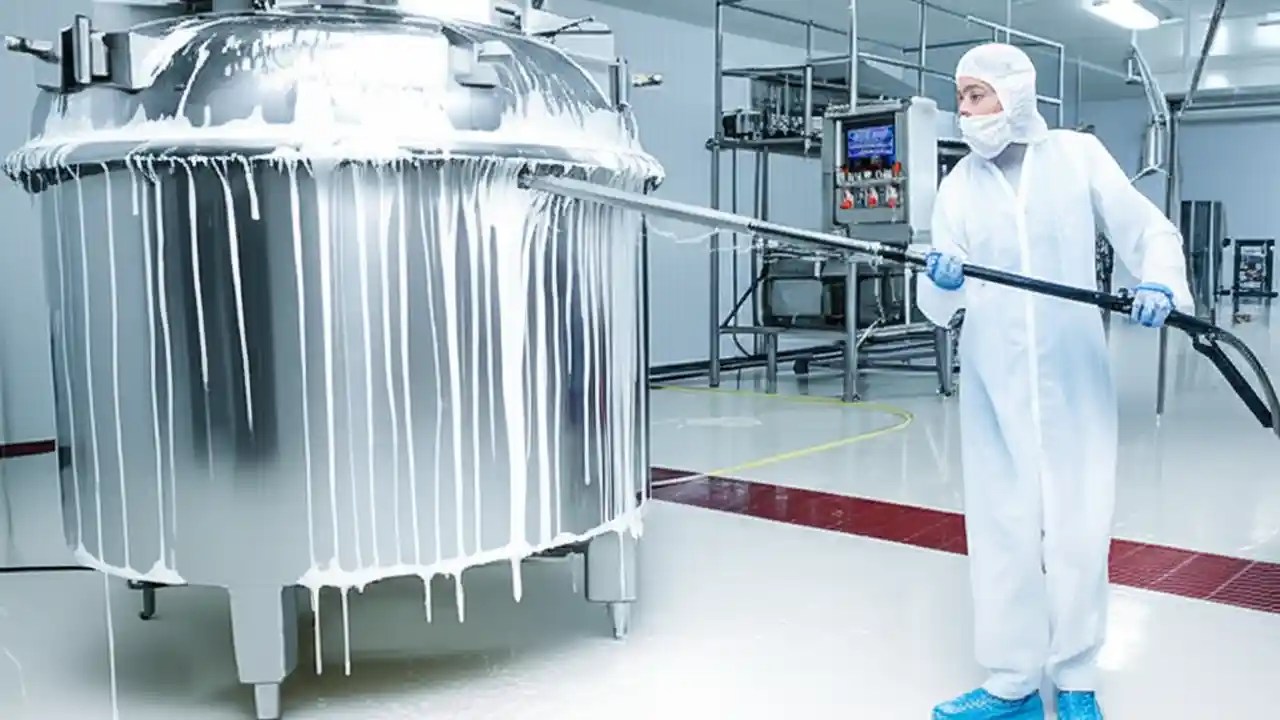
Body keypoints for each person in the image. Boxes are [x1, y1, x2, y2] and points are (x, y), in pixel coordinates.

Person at [916, 43, 1193, 720]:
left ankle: (1075, 679)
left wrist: (1157, 281)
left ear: (1014, 95)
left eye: (976, 96)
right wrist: (938, 279)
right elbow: (935, 301)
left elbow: (1146, 230)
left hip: (1073, 374)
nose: (966, 112)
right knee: (1002, 526)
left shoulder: (1077, 157)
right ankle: (1011, 682)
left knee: (1077, 526)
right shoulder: (959, 187)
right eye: (961, 99)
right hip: (993, 380)